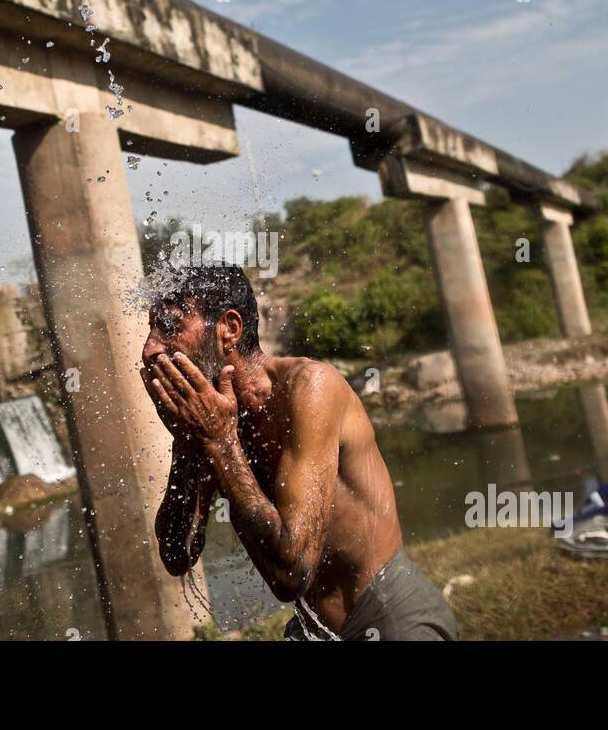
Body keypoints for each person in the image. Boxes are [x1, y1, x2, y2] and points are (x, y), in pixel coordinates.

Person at [140, 264, 458, 640]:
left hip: (388, 619)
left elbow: (292, 573)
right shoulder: (214, 416)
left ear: (229, 329)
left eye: (171, 327)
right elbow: (177, 555)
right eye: (151, 330)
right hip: (313, 628)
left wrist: (220, 443)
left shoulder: (309, 388)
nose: (150, 348)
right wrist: (187, 444)